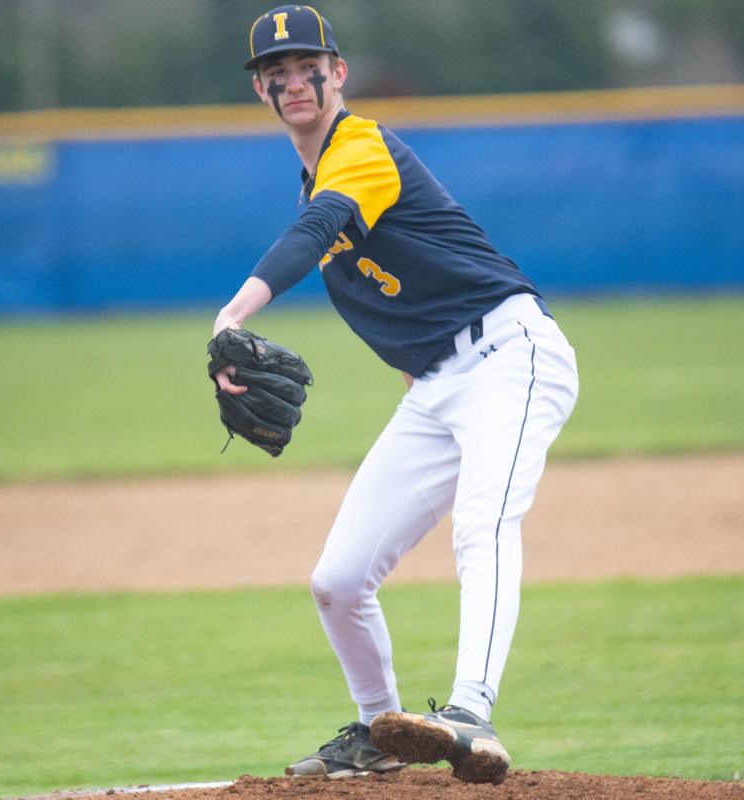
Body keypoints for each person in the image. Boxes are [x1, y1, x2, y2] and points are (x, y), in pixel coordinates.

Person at [212, 4, 579, 785]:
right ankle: (382, 730)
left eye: (305, 65)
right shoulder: (320, 173)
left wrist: (236, 311)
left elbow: (317, 231)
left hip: (511, 354)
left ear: (336, 73)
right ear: (261, 93)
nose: (291, 80)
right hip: (441, 385)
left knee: (482, 525)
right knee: (337, 580)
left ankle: (472, 712)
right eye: (273, 73)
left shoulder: (362, 149)